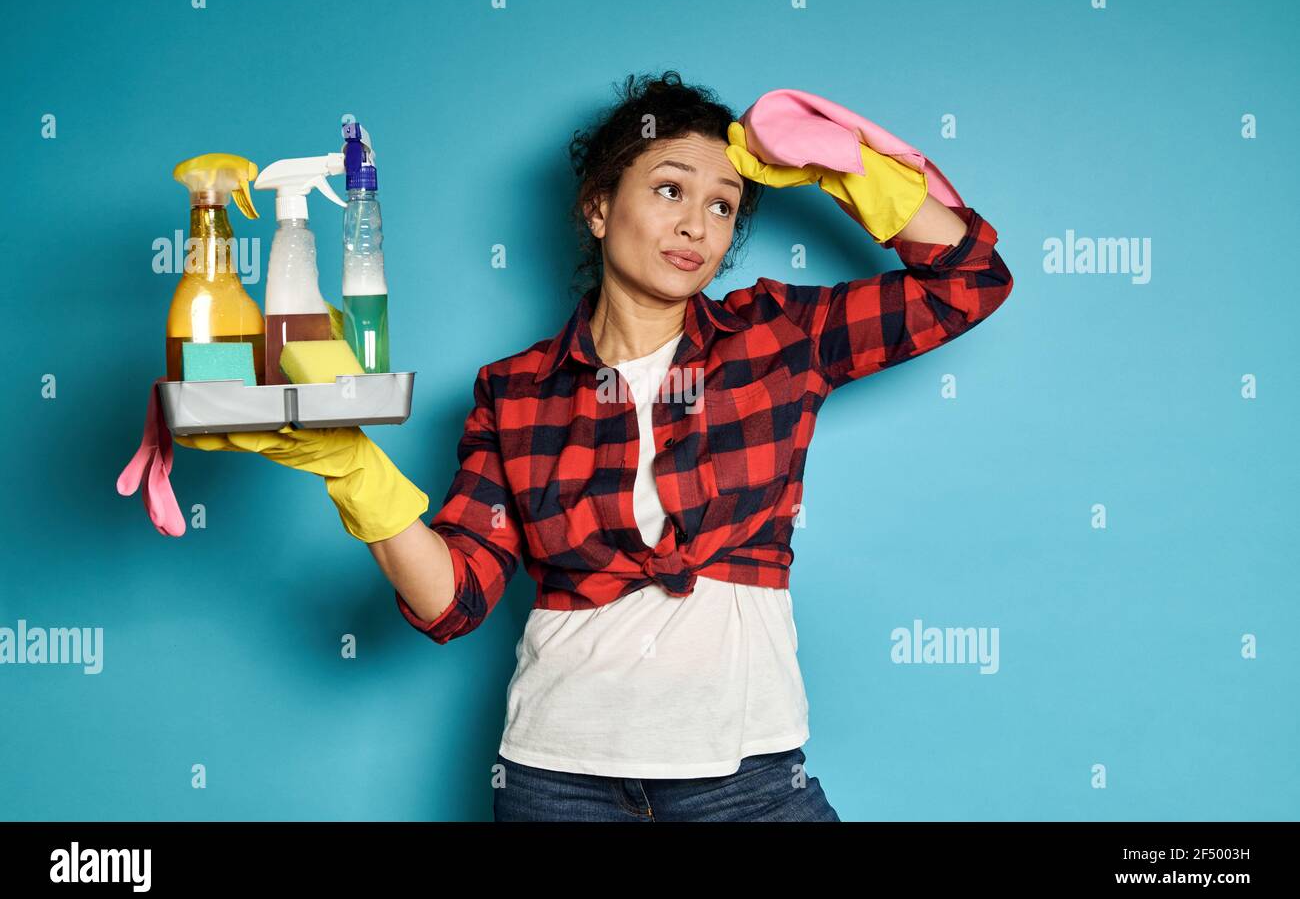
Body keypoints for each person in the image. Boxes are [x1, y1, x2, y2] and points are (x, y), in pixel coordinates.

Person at [176, 71, 1013, 822]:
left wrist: (843, 169)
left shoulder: (778, 336)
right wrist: (354, 469)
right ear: (599, 205)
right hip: (556, 782)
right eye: (670, 189)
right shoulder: (516, 390)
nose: (697, 225)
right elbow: (452, 600)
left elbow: (969, 280)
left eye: (722, 206)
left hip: (748, 781)